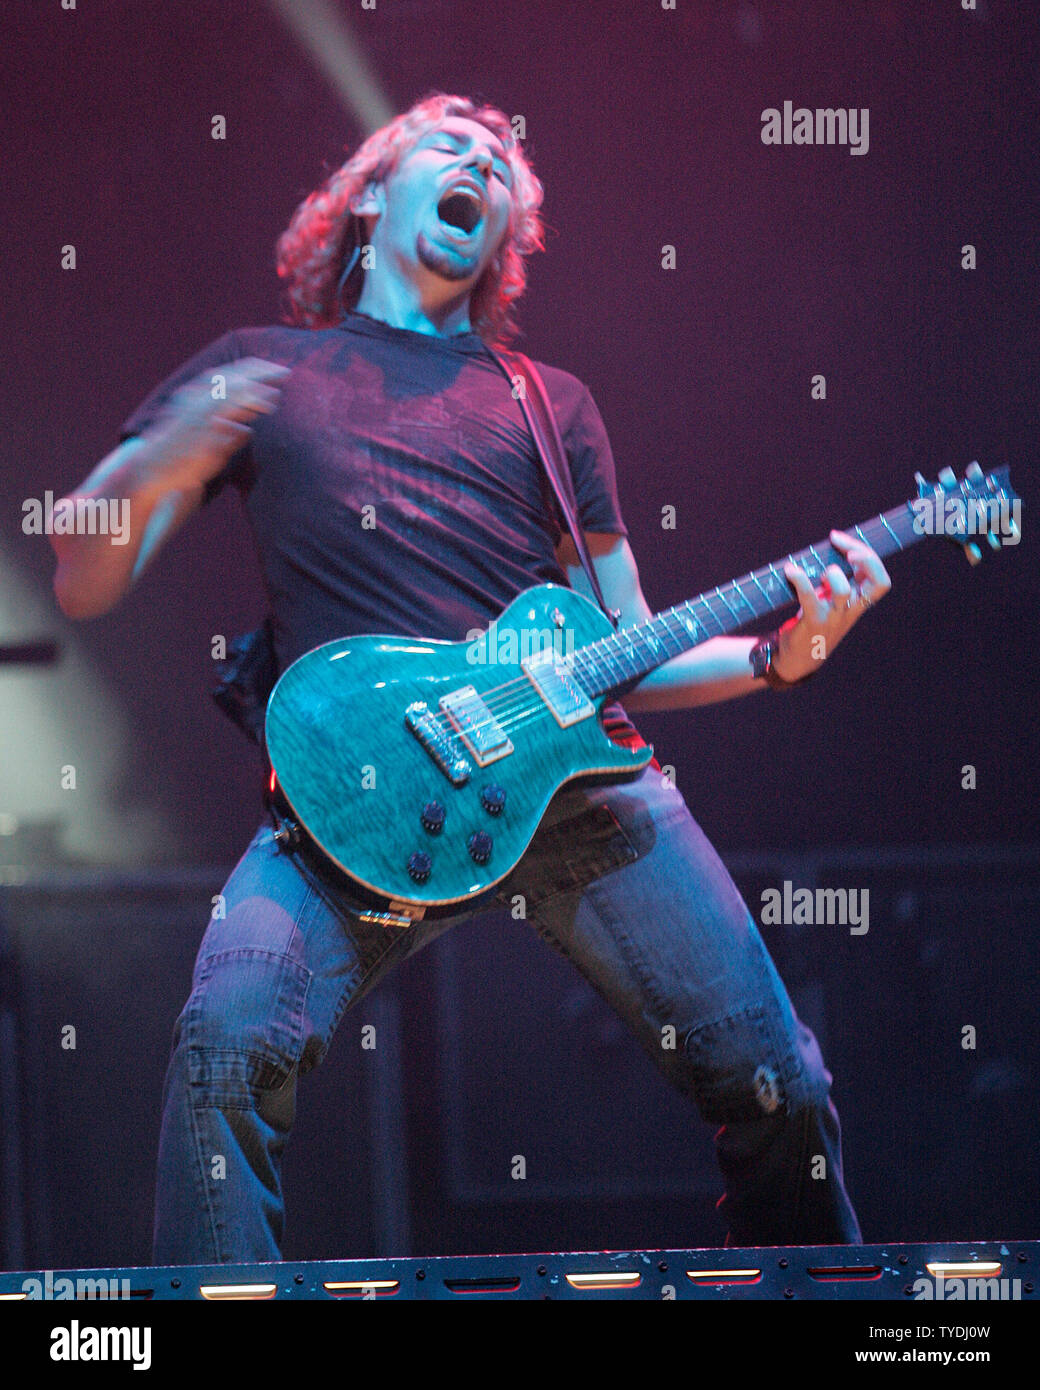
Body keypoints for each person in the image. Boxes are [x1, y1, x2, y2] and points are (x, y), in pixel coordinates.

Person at [51, 91, 890, 1265]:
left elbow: (631, 640)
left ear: (503, 238)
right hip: (355, 799)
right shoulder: (265, 369)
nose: (483, 169)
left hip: (578, 797)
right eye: (452, 148)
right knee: (224, 1051)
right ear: (367, 196)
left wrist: (772, 657)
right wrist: (153, 460)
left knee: (778, 1087)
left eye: (502, 171)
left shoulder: (548, 405)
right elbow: (84, 575)